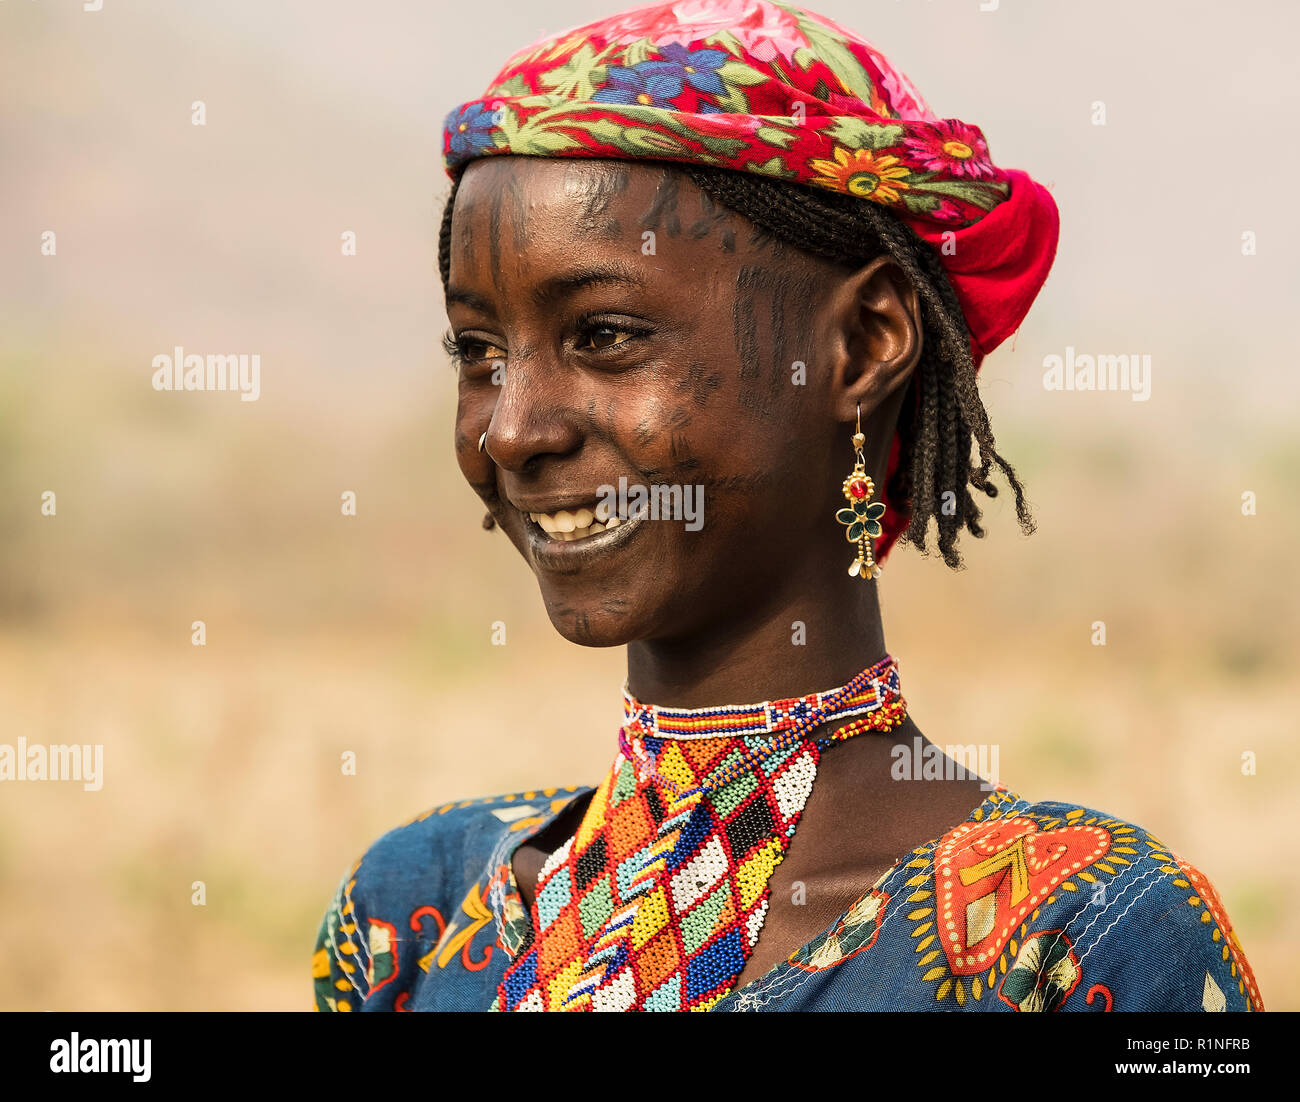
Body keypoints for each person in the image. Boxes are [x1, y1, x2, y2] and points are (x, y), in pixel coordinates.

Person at [312, 0, 1262, 1012]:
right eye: (479, 353)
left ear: (863, 343)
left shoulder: (1074, 933)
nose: (511, 429)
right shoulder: (414, 915)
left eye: (604, 335)